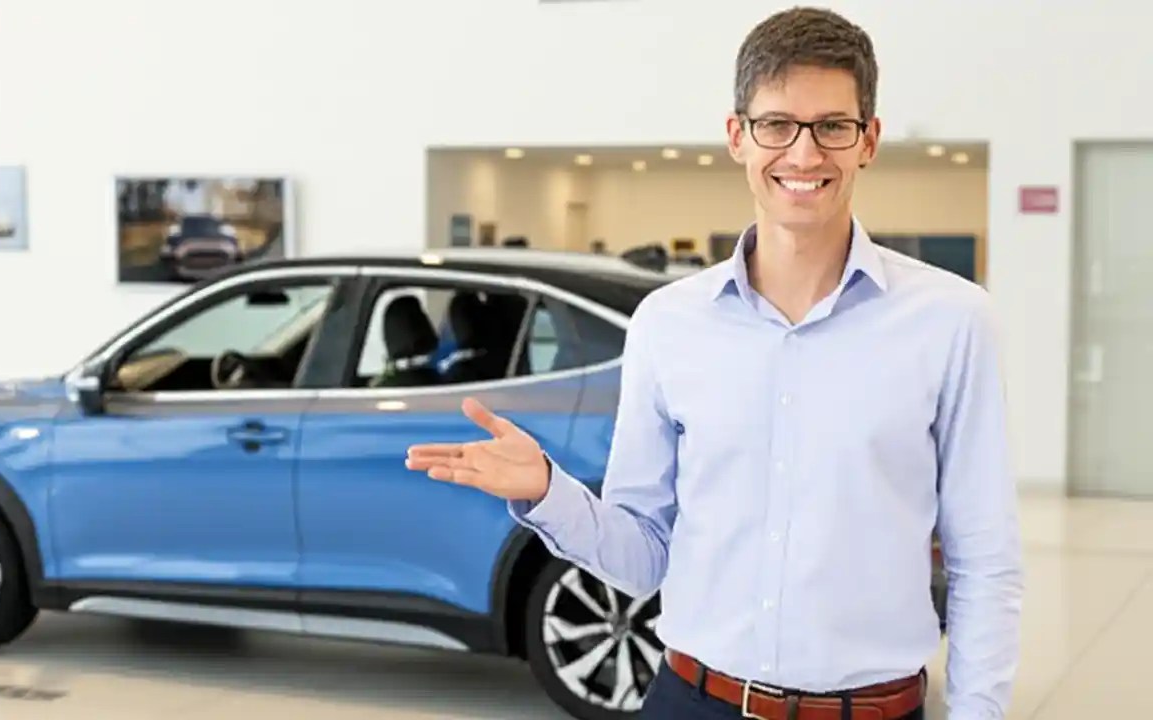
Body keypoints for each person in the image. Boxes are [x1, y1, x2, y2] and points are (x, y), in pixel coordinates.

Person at [406, 7, 1022, 719]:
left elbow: (985, 562)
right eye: (777, 125)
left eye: (832, 126)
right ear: (738, 135)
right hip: (692, 700)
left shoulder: (951, 321)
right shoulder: (669, 324)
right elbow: (644, 556)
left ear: (868, 140)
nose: (803, 153)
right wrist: (550, 491)